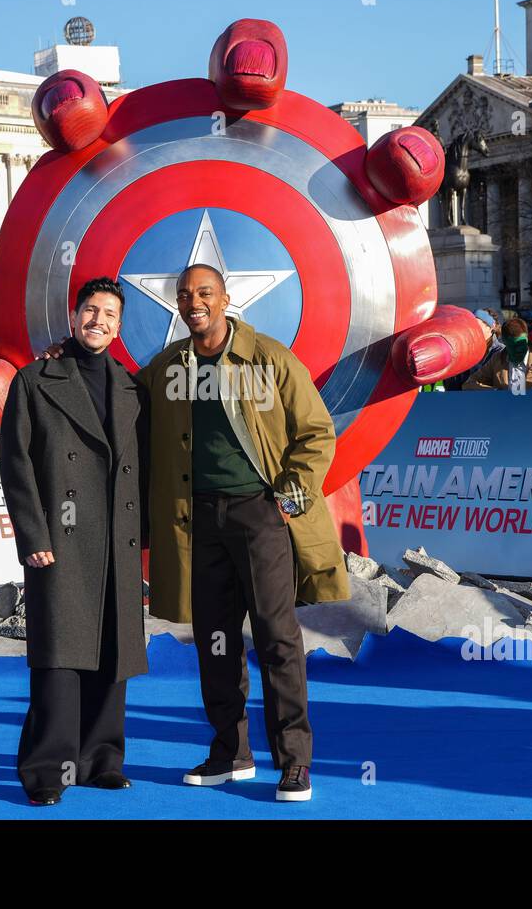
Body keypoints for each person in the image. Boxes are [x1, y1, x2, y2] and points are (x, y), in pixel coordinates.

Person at [134, 264, 348, 803]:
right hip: (196, 521)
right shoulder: (166, 367)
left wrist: (287, 503)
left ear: (226, 298)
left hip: (261, 515)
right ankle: (230, 751)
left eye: (204, 292)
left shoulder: (269, 357)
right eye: (184, 295)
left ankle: (294, 762)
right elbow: (120, 407)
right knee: (214, 640)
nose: (193, 302)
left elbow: (317, 433)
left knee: (277, 638)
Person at [1, 278, 148, 805]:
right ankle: (47, 769)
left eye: (110, 314)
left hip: (119, 539)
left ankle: (100, 760)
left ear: (119, 325)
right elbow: (16, 465)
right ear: (74, 315)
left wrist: (145, 539)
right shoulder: (35, 380)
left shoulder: (131, 387)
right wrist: (32, 534)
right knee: (59, 656)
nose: (99, 321)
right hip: (60, 539)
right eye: (91, 310)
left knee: (115, 652)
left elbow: (142, 468)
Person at [464, 317, 532, 390]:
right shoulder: (497, 360)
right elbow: (469, 384)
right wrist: (495, 393)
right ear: (504, 343)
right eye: (513, 346)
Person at [445, 309, 502, 391]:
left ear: (491, 327)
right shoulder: (464, 351)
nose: (472, 330)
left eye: (476, 325)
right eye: (470, 326)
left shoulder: (500, 352)